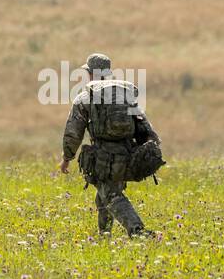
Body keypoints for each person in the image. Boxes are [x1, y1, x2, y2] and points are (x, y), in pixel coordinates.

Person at [59, 53, 160, 236]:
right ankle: (104, 235)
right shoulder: (124, 94)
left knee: (112, 196)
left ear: (90, 73)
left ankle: (138, 231)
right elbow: (143, 123)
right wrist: (152, 147)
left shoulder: (85, 97)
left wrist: (67, 158)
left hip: (103, 156)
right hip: (128, 153)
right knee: (103, 196)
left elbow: (73, 132)